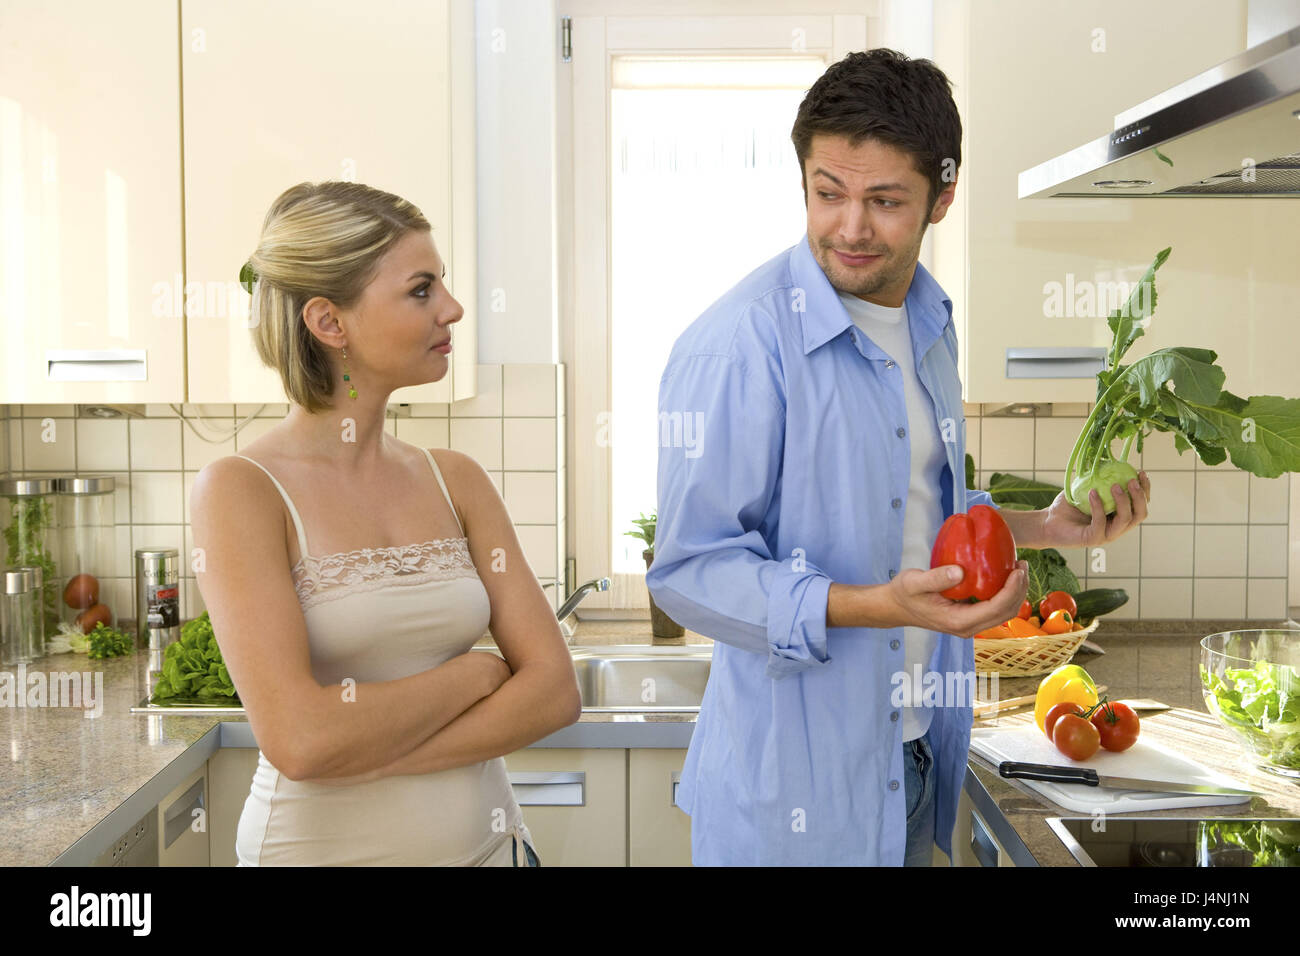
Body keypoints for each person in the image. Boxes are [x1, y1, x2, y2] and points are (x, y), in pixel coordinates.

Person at [646, 49, 1151, 867]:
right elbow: (689, 572)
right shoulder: (739, 346)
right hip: (797, 806)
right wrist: (880, 605)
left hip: (913, 766)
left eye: (884, 201)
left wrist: (1044, 524)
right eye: (826, 192)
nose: (849, 228)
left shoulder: (929, 323)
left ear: (941, 197)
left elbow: (913, 501)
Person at [189, 181, 580, 865]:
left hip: (492, 850)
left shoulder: (455, 479)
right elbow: (301, 741)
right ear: (330, 322)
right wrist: (474, 676)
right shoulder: (242, 493)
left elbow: (553, 691)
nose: (453, 310)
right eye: (421, 290)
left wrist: (368, 758)